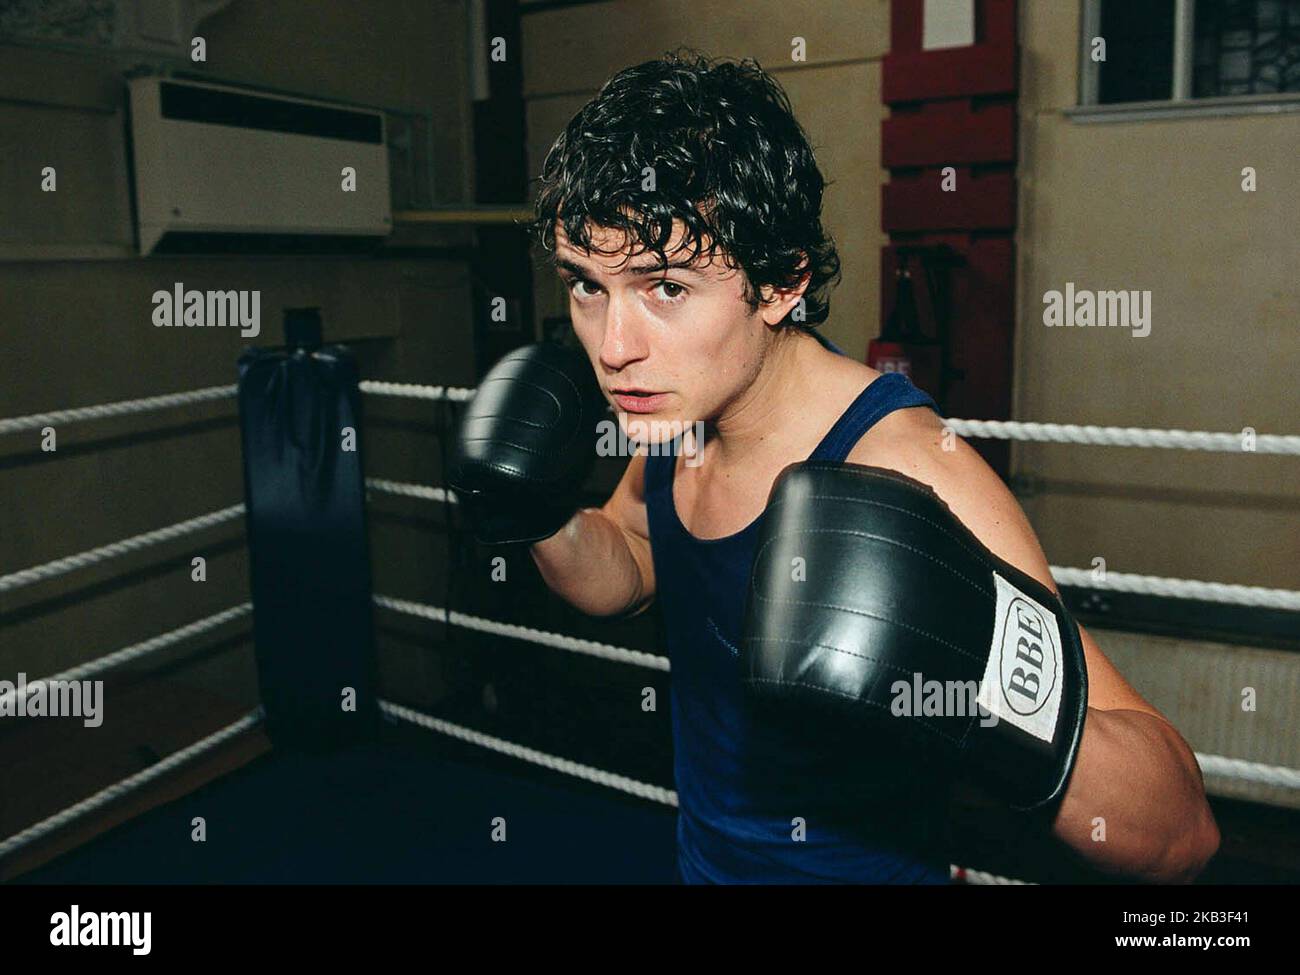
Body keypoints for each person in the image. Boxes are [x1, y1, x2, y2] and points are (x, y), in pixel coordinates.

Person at [450, 50, 1219, 884]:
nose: (612, 346)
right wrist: (541, 516)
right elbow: (629, 565)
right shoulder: (676, 411)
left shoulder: (911, 466)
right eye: (588, 286)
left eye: (664, 286)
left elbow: (1180, 834)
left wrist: (974, 678)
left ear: (782, 283)